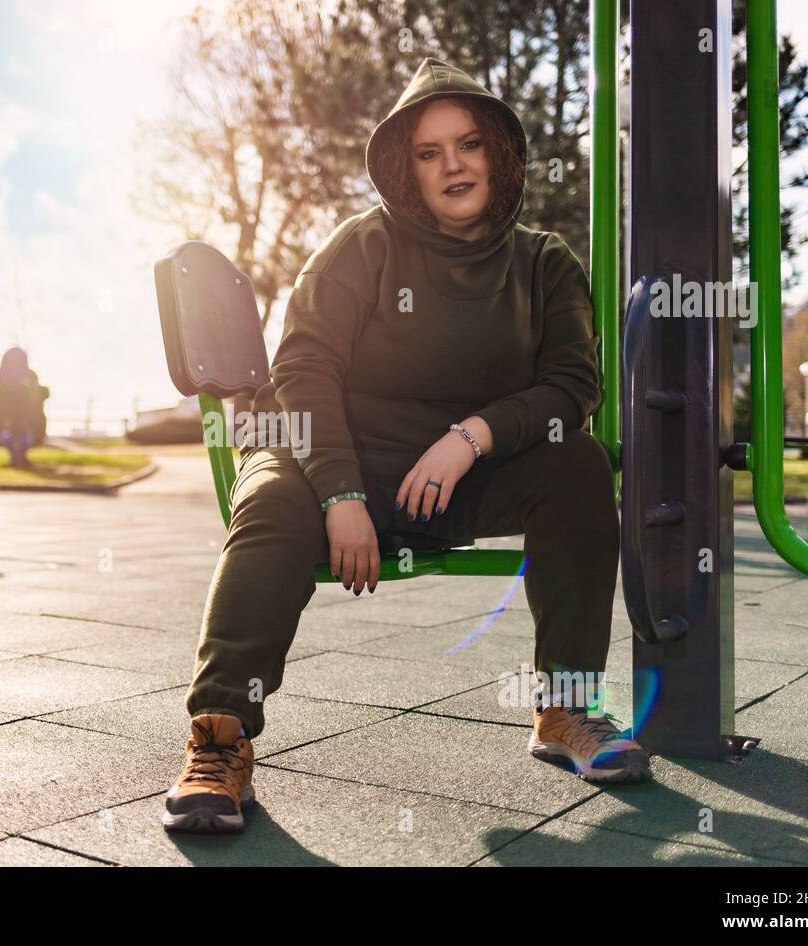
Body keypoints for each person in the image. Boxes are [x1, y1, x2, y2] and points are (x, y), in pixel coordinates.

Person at [162, 58, 651, 836]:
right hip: (335, 458)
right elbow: (303, 368)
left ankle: (564, 708)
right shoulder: (362, 247)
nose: (453, 164)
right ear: (406, 168)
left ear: (500, 154)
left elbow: (571, 387)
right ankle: (218, 738)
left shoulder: (542, 262)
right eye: (429, 152)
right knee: (269, 497)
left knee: (579, 464)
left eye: (468, 144)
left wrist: (471, 436)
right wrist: (341, 493)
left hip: (465, 476)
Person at [0, 347, 49, 467]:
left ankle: (19, 456)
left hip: (24, 427)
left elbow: (36, 405)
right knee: (11, 437)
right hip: (8, 428)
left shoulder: (28, 383)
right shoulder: (0, 391)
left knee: (22, 437)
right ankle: (17, 456)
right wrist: (7, 424)